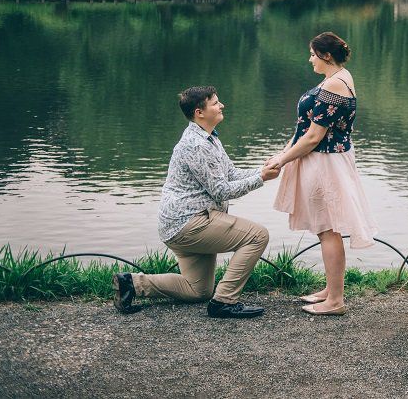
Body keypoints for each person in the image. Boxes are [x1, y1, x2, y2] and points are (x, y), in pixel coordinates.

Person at [112, 86, 281, 319]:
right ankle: (224, 301)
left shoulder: (209, 138)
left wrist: (260, 170)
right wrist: (261, 179)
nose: (221, 106)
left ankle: (132, 283)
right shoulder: (197, 144)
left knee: (198, 290)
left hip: (182, 224)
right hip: (190, 223)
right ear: (199, 112)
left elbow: (229, 173)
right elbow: (221, 191)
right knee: (257, 235)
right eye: (215, 103)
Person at [268, 32, 377, 316]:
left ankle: (336, 301)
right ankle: (330, 290)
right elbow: (304, 129)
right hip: (322, 159)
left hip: (325, 161)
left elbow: (314, 136)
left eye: (313, 54)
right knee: (325, 228)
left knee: (329, 229)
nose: (310, 59)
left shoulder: (336, 85)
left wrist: (282, 159)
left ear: (326, 56)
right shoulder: (337, 78)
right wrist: (283, 151)